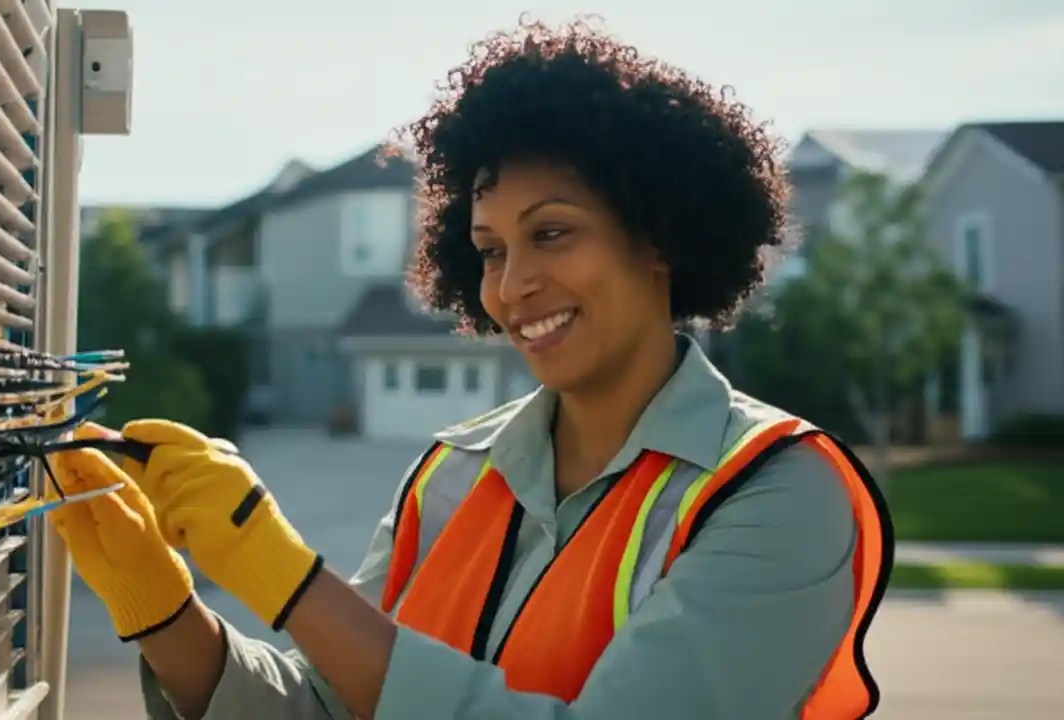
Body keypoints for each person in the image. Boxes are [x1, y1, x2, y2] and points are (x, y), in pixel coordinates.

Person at [48, 16, 893, 720]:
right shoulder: (449, 476)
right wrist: (161, 610)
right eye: (489, 250)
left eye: (552, 232)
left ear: (660, 236)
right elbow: (335, 705)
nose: (514, 284)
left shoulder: (781, 496)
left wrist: (287, 578)